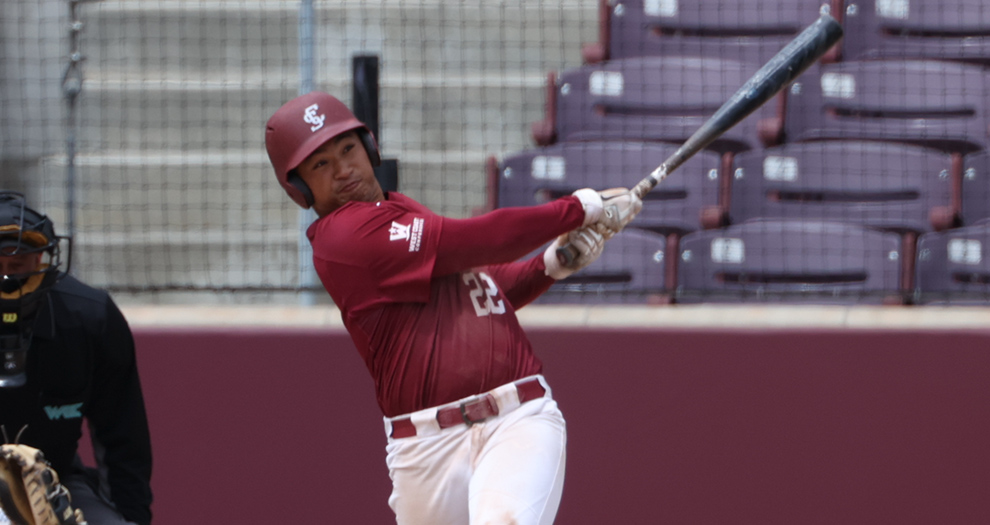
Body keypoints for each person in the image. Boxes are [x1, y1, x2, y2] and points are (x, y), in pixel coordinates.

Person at [265, 91, 641, 524]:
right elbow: (474, 241)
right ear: (299, 188)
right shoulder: (342, 240)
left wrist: (551, 265)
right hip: (423, 451)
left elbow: (479, 288)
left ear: (368, 148)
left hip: (516, 419)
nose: (344, 169)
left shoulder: (398, 211)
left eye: (347, 149)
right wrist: (578, 209)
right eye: (321, 165)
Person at [0, 191, 153, 525]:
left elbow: (123, 443)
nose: (7, 280)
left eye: (17, 265)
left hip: (55, 481)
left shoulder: (90, 318)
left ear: (42, 263)